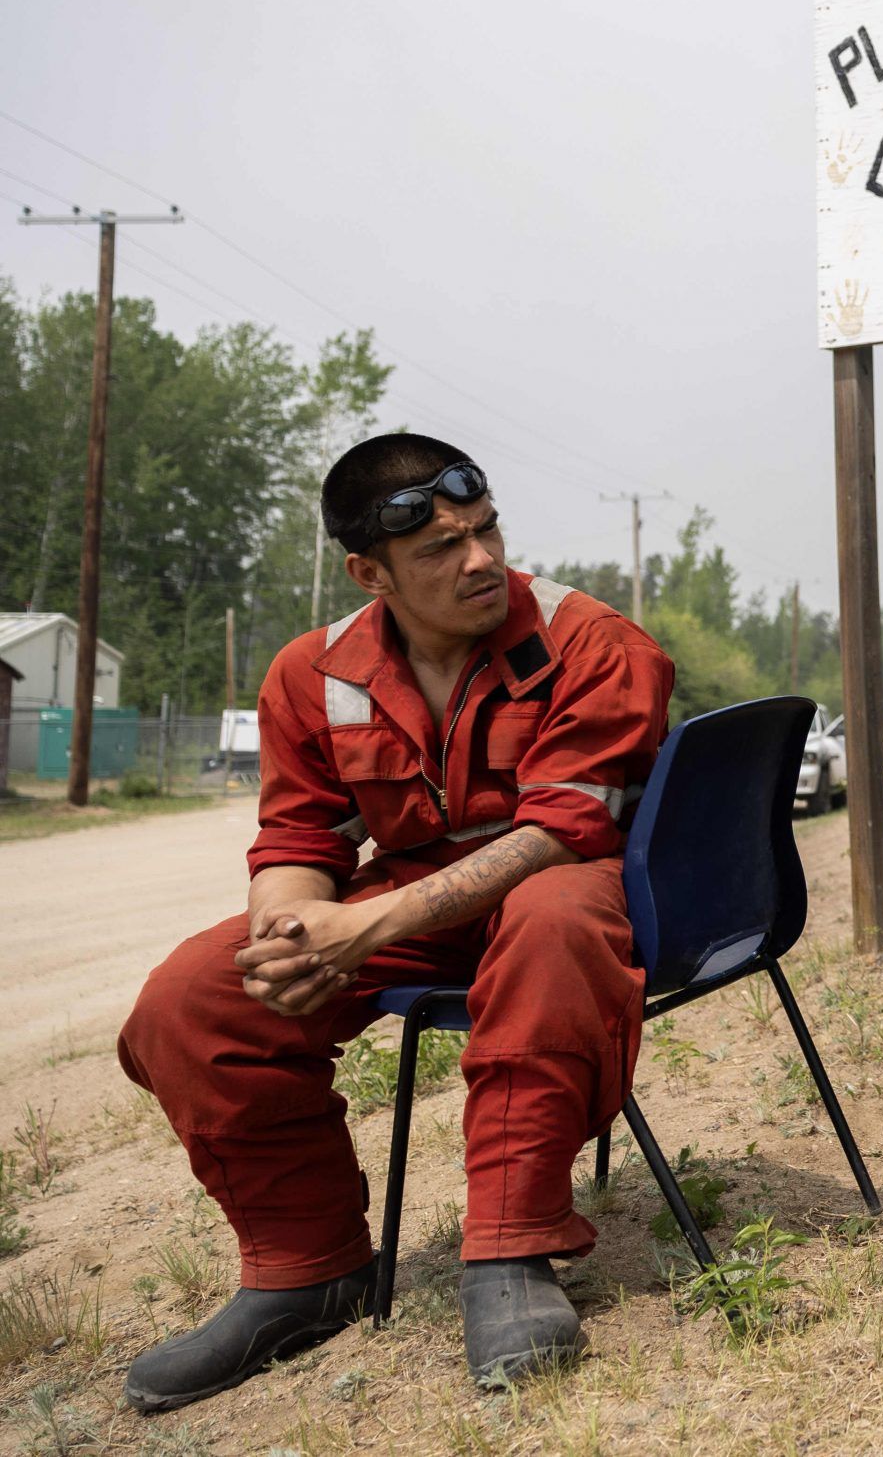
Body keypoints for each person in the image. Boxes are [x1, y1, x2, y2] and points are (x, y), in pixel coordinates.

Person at [116, 434, 674, 1409]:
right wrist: (289, 936)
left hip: (562, 881)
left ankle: (510, 1251)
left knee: (552, 923)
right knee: (191, 1000)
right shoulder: (313, 673)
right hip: (415, 896)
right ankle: (306, 1270)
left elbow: (562, 830)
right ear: (369, 574)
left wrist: (368, 929)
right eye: (442, 549)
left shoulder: (592, 643)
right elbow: (300, 836)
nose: (481, 560)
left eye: (487, 529)